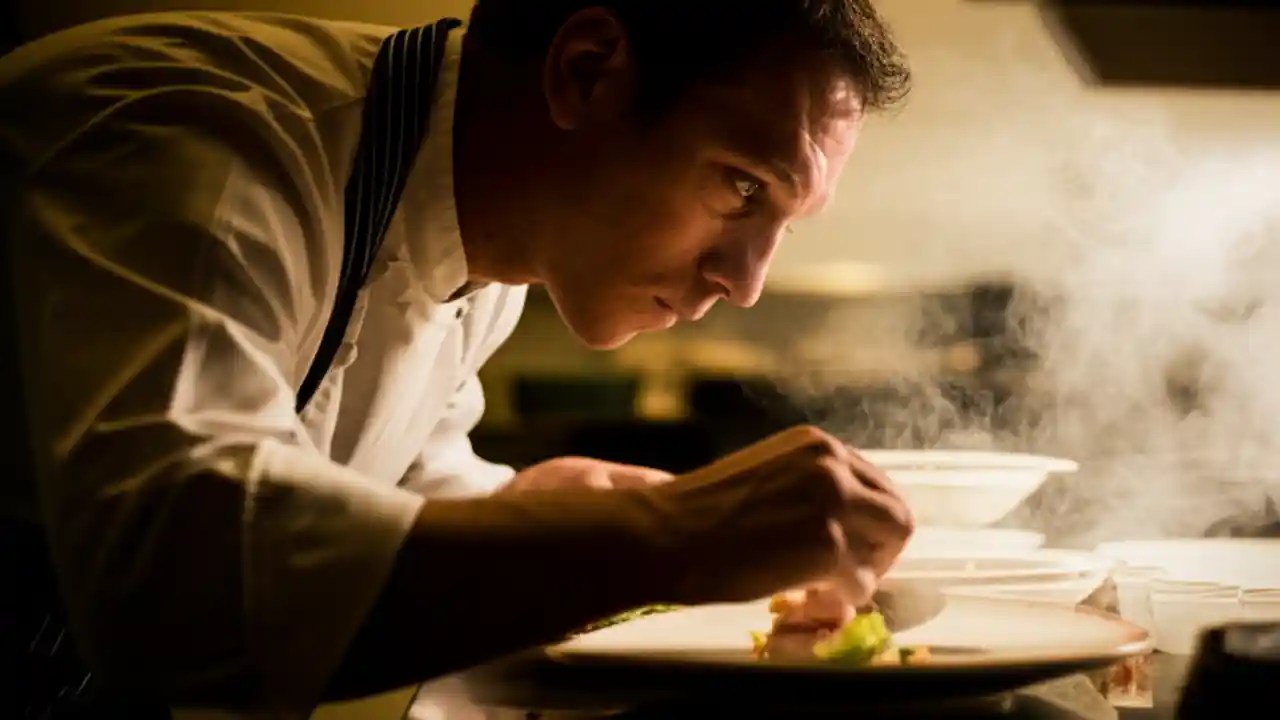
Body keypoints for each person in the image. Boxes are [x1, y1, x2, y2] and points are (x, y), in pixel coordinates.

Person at [0, 1, 914, 716]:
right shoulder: (200, 136)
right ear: (586, 73)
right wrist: (679, 535)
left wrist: (525, 507)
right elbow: (163, 578)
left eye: (783, 223)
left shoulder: (487, 247)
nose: (747, 281)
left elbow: (376, 485)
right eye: (742, 185)